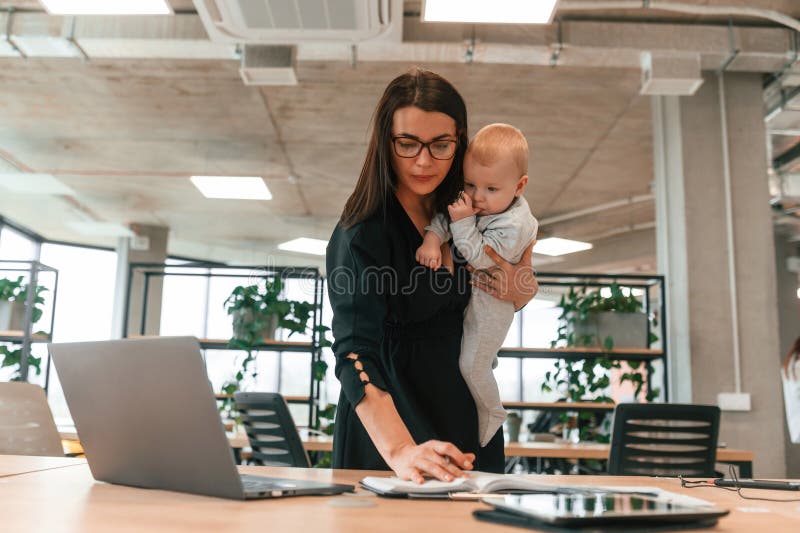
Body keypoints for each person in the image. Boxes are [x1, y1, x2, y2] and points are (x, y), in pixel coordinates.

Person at [325, 68, 538, 483]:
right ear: (385, 143)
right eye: (407, 144)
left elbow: (513, 284)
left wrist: (523, 287)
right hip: (393, 429)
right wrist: (402, 450)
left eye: (441, 145)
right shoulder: (362, 232)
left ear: (460, 142)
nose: (424, 161)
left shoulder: (469, 211)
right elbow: (354, 353)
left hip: (463, 415)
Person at [415, 123, 538, 447]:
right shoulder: (481, 203)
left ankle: (492, 411)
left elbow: (480, 258)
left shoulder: (517, 224)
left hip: (491, 307)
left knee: (473, 363)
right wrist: (431, 240)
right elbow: (447, 217)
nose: (477, 197)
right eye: (470, 184)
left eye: (491, 189)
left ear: (519, 186)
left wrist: (463, 222)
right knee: (480, 358)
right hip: (474, 302)